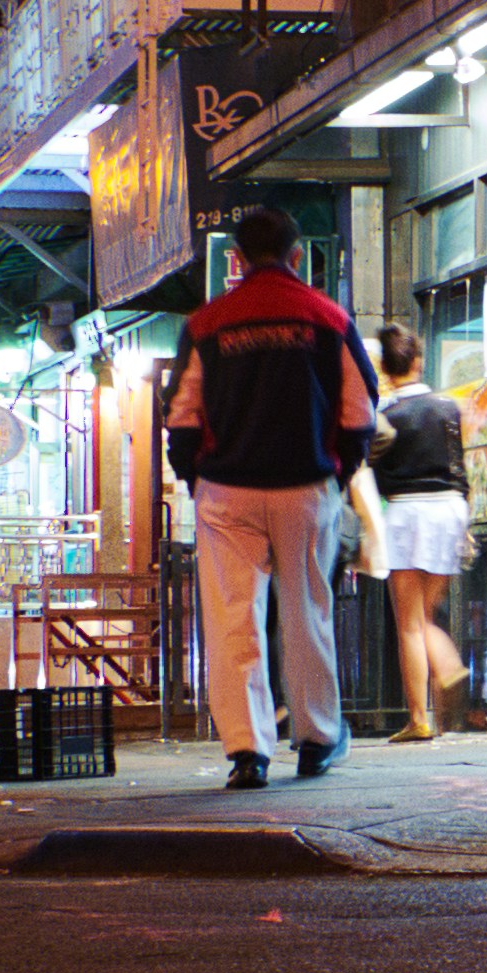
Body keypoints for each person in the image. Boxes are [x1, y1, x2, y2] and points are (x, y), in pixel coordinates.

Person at [174, 202, 380, 787]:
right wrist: (336, 473)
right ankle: (316, 741)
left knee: (232, 619)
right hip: (305, 488)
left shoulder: (207, 322)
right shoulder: (326, 316)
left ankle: (247, 752)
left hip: (227, 491)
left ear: (236, 259)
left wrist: (197, 477)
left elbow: (183, 415)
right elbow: (359, 410)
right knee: (307, 614)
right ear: (297, 255)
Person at [366, 323, 472, 741]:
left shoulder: (384, 417)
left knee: (410, 623)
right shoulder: (448, 409)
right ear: (418, 361)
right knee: (428, 614)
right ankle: (444, 666)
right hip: (450, 510)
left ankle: (420, 716)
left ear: (386, 369)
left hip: (406, 515)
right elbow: (459, 467)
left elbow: (372, 477)